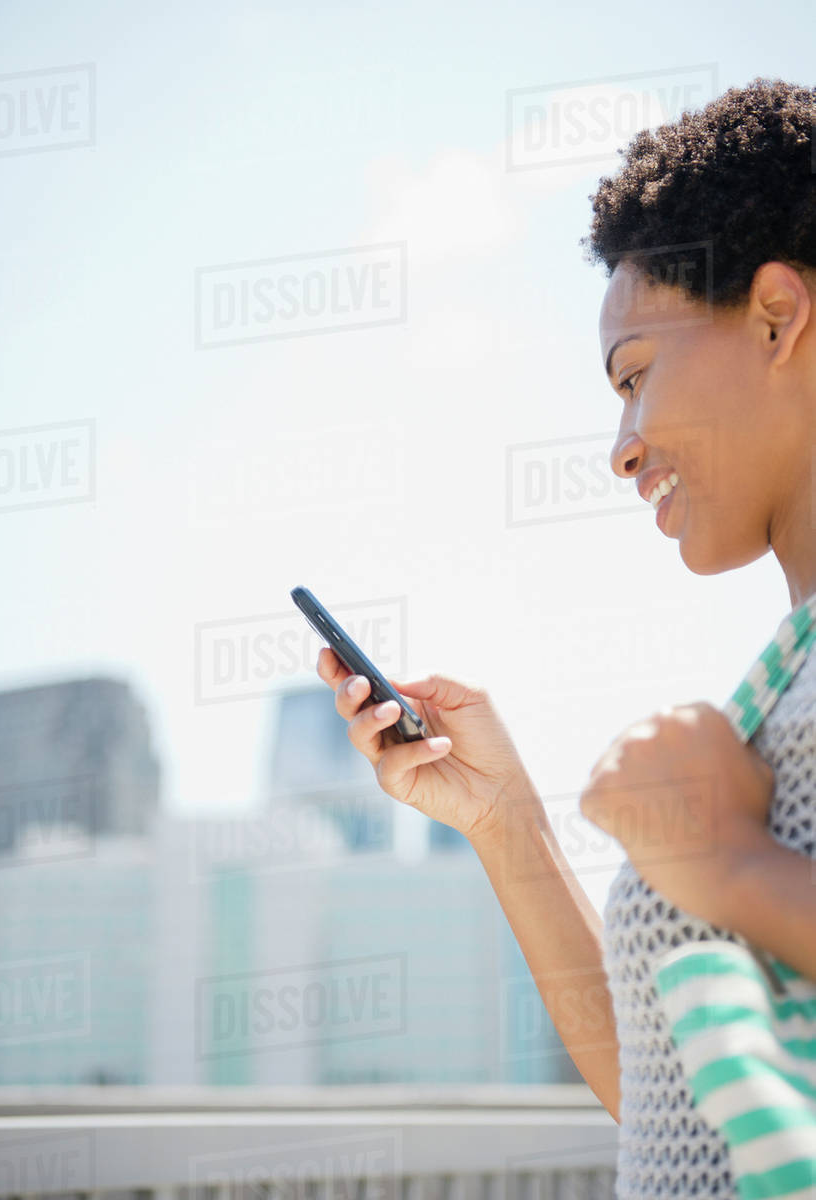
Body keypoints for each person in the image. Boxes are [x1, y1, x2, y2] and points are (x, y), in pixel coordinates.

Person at [317, 77, 816, 1198]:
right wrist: (501, 820)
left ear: (777, 317)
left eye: (635, 377)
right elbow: (674, 1110)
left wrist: (728, 865)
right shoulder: (784, 677)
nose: (622, 447)